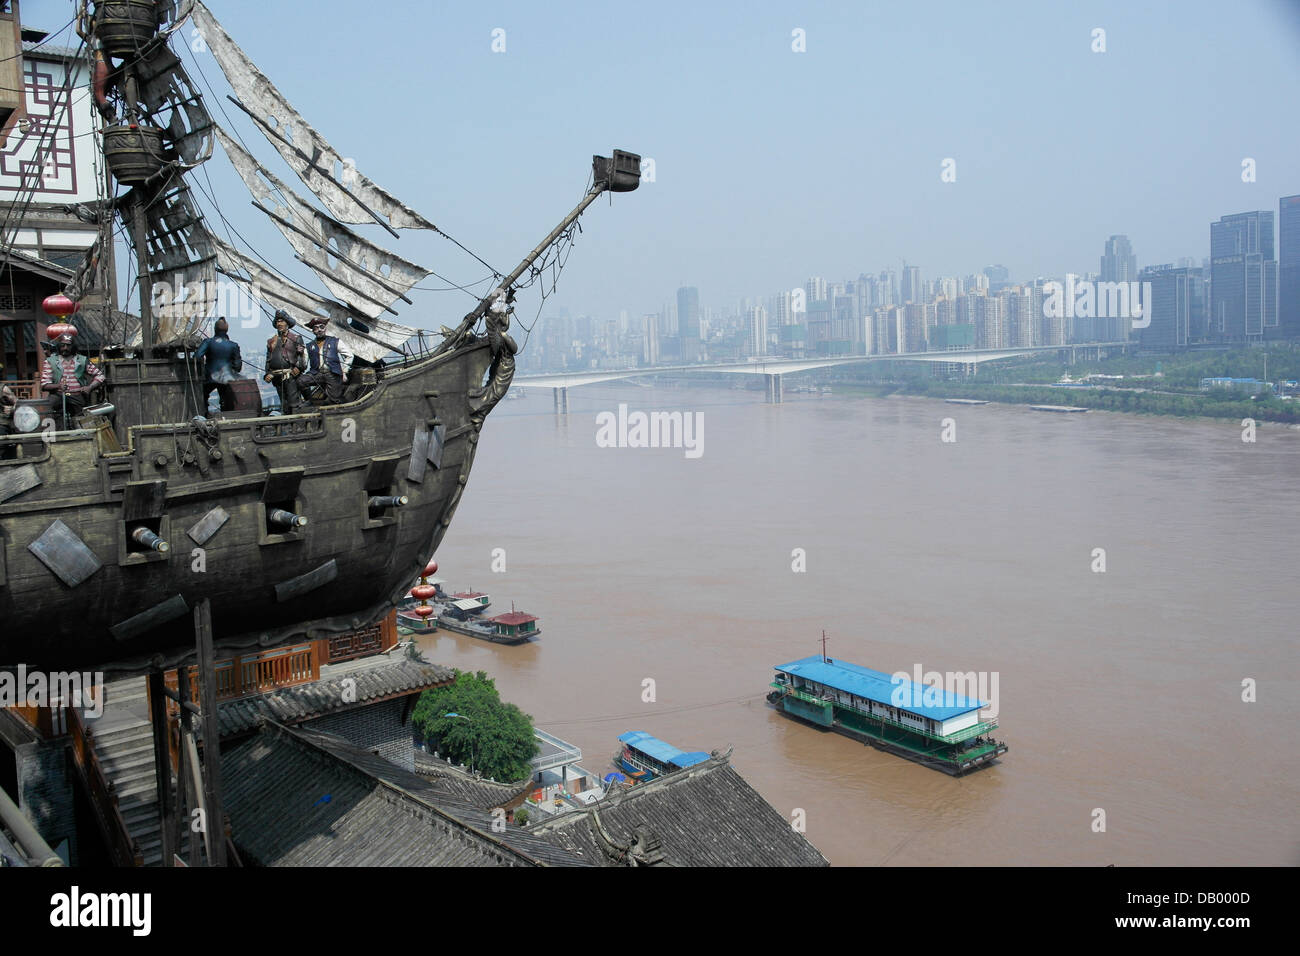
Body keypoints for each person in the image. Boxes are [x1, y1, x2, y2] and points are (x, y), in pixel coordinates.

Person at [41, 333, 105, 428]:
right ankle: (57, 433)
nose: (65, 348)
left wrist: (90, 387)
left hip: (77, 394)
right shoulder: (51, 361)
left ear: (73, 347)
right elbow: (44, 385)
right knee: (50, 410)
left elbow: (100, 376)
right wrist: (58, 386)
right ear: (59, 346)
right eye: (62, 345)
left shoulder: (82, 360)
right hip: (58, 395)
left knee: (82, 418)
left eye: (68, 345)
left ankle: (83, 434)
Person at [298, 317, 353, 406]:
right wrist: (301, 354)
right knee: (301, 381)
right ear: (313, 331)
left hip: (333, 374)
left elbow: (349, 355)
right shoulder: (308, 346)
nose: (319, 330)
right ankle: (309, 400)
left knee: (334, 400)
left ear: (325, 328)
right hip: (316, 374)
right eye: (316, 328)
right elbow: (304, 365)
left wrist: (344, 371)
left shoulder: (335, 341)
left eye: (321, 327)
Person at [194, 317, 243, 412]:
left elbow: (197, 356)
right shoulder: (233, 345)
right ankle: (226, 417)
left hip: (209, 377)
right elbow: (238, 367)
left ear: (215, 329)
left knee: (202, 396)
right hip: (226, 378)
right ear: (227, 330)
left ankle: (204, 415)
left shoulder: (208, 342)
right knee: (225, 399)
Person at [264, 309, 306, 413]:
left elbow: (301, 356)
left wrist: (298, 367)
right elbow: (268, 359)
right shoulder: (271, 341)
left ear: (287, 323)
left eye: (282, 321)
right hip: (276, 377)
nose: (279, 324)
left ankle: (297, 424)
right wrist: (267, 373)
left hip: (291, 376)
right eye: (278, 321)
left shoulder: (296, 339)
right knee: (284, 402)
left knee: (294, 402)